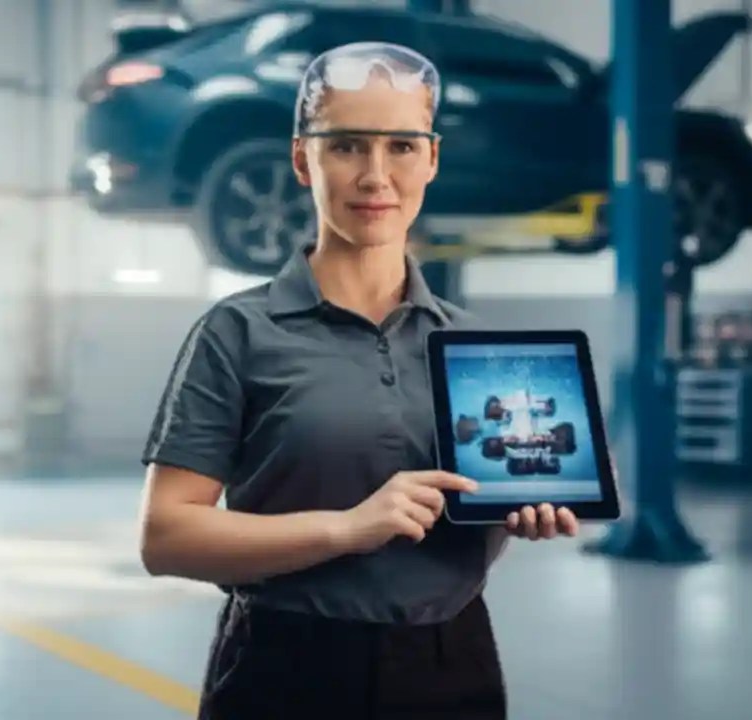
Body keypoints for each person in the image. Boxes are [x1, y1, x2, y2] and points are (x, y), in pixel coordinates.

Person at [138, 42, 581, 719]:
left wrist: (533, 499)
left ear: (431, 159)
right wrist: (346, 529)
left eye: (401, 146)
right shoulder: (236, 333)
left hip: (450, 662)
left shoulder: (478, 349)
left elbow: (493, 500)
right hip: (284, 668)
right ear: (302, 159)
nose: (376, 176)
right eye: (347, 146)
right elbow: (167, 537)